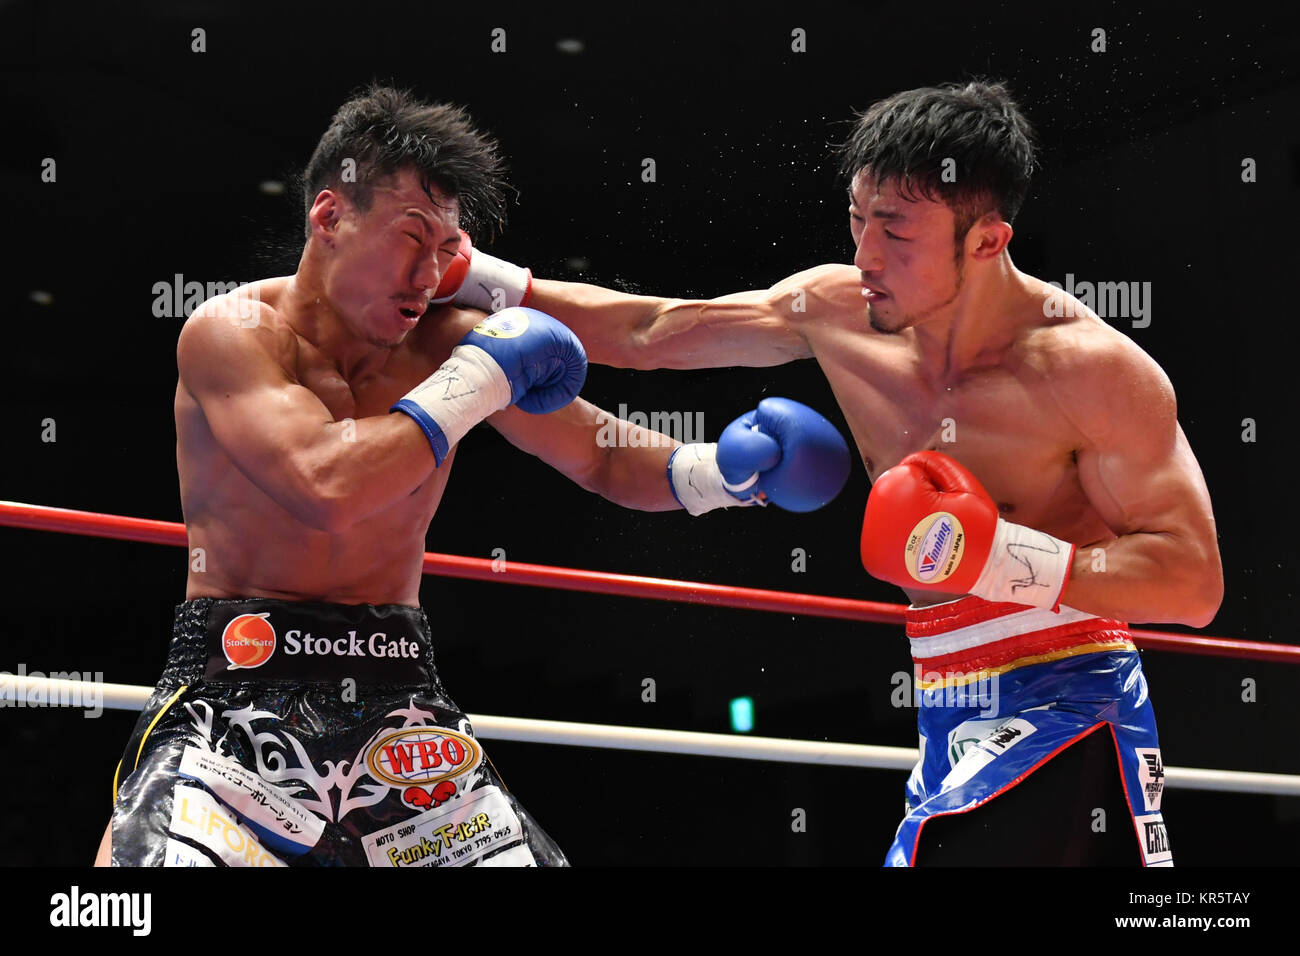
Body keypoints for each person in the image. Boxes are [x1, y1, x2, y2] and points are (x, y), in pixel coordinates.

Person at [443, 81, 1224, 865]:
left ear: (987, 241)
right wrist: (470, 277)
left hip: (1072, 700)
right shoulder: (838, 310)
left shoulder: (1091, 374)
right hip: (944, 703)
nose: (864, 258)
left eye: (896, 233)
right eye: (857, 221)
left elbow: (1191, 585)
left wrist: (998, 556)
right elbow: (650, 331)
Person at [95, 84, 850, 868]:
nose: (429, 275)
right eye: (410, 239)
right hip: (235, 684)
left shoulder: (448, 342)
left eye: (445, 250)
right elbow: (324, 486)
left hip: (399, 703)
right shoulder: (234, 333)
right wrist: (478, 380)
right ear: (329, 218)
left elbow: (602, 455)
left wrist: (721, 473)